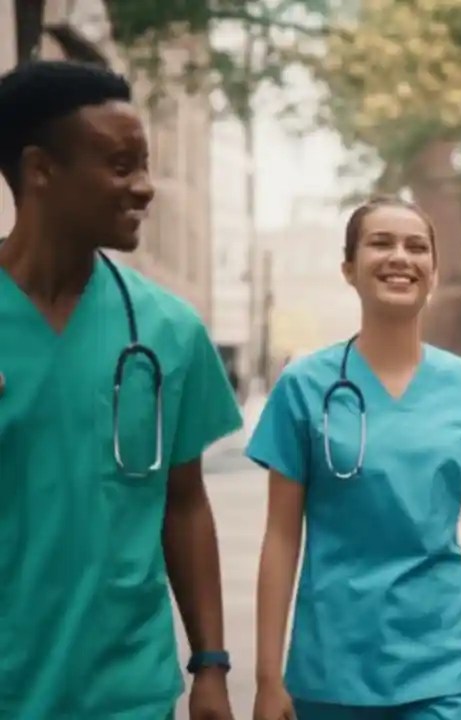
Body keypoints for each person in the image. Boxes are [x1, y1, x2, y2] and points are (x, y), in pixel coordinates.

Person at [0, 60, 242, 719]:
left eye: (145, 164)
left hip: (127, 690)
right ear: (41, 171)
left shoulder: (168, 330)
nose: (144, 188)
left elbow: (185, 505)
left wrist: (211, 665)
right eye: (119, 165)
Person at [248, 197, 461, 720]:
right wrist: (267, 678)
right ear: (349, 268)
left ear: (433, 271)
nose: (399, 257)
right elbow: (280, 537)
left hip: (444, 665)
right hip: (333, 668)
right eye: (380, 243)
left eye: (416, 247)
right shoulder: (304, 386)